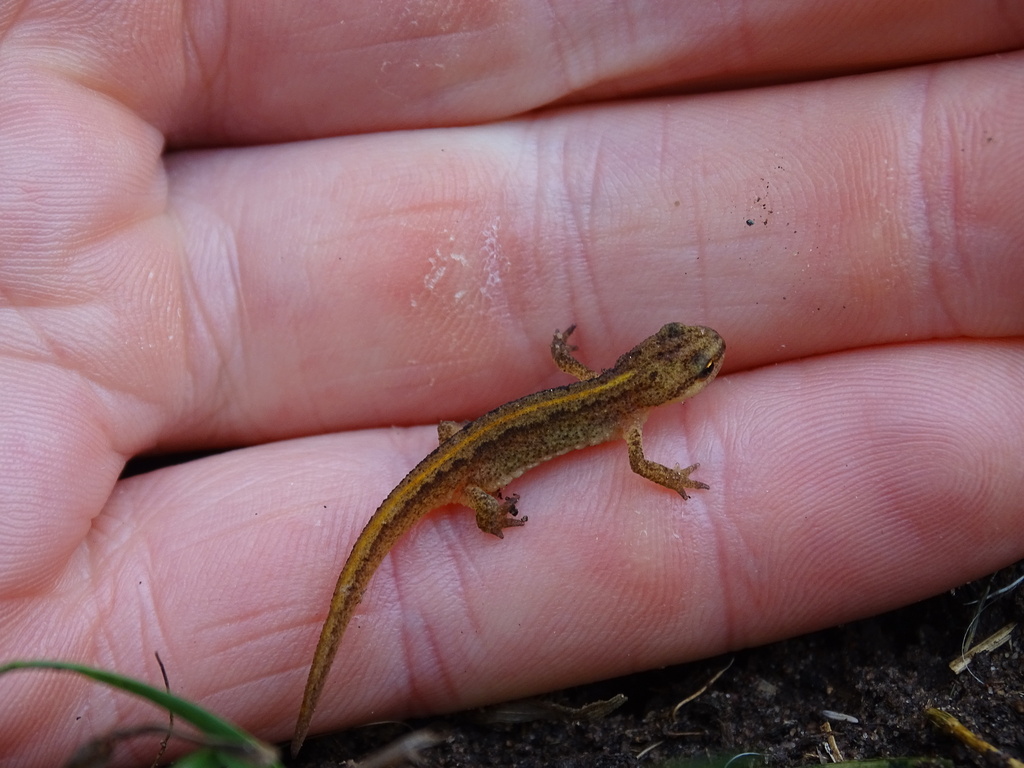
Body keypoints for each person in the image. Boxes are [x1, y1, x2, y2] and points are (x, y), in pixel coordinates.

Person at [2, 3, 1022, 765]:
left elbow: (577, 378)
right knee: (460, 496)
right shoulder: (624, 415)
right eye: (692, 356)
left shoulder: (607, 385)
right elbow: (639, 466)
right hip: (454, 476)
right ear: (658, 374)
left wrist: (549, 394)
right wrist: (508, 503)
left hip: (461, 454)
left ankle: (457, 503)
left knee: (471, 468)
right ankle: (449, 526)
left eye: (695, 356)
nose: (698, 358)